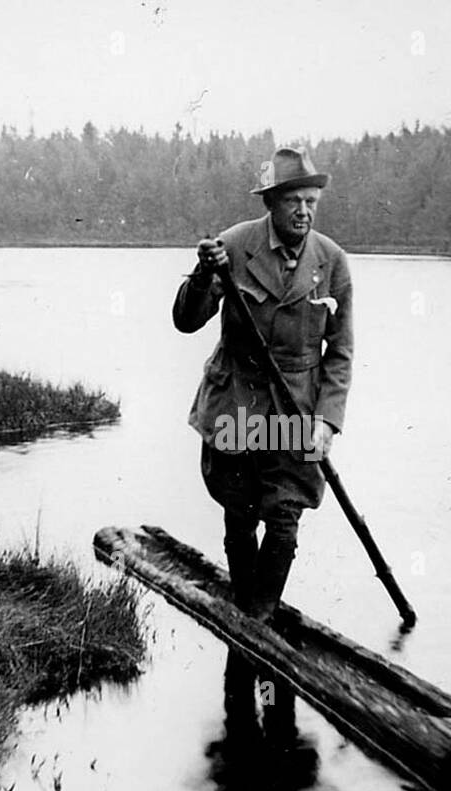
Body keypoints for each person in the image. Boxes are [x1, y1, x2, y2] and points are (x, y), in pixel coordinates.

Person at [172, 146, 354, 625]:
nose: (303, 211)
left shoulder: (332, 262)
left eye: (311, 201)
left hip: (296, 410)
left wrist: (329, 421)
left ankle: (257, 619)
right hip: (237, 402)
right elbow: (187, 321)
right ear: (271, 203)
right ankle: (249, 610)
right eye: (294, 200)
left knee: (285, 518)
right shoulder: (234, 246)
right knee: (240, 513)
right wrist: (202, 274)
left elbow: (340, 353)